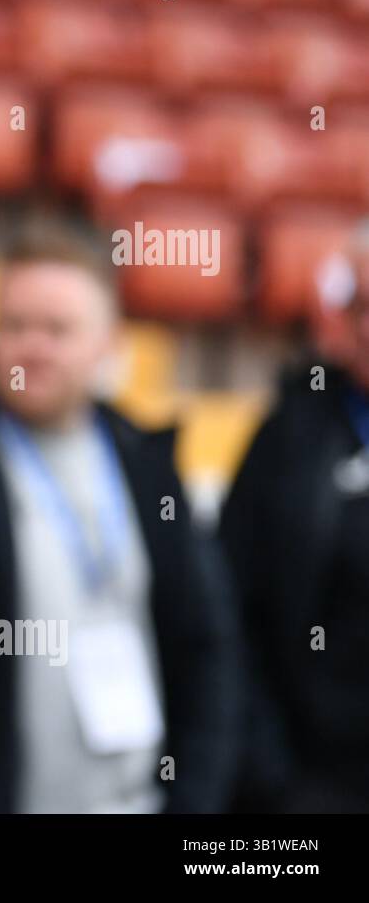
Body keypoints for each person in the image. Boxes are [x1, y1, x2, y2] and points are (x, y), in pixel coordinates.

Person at [0, 226, 240, 813]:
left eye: (57, 330)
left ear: (108, 343)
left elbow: (207, 644)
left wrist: (195, 799)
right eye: (14, 326)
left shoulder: (144, 461)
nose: (31, 347)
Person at [220, 223, 369, 812]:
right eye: (361, 305)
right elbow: (229, 607)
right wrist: (271, 771)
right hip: (311, 782)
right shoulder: (288, 437)